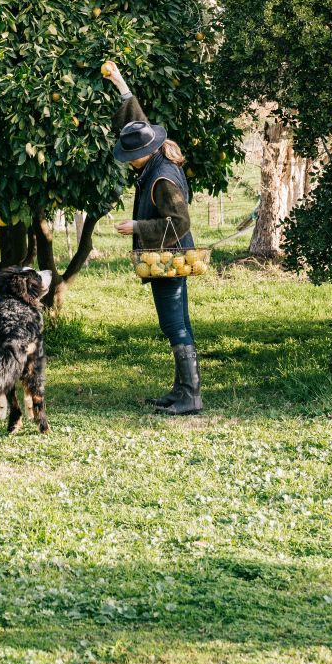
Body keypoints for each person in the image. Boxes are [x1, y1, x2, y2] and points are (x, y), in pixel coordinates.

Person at [104, 61, 203, 416]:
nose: (129, 161)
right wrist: (121, 85)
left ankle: (190, 396)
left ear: (144, 152)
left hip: (168, 257)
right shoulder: (157, 156)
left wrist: (137, 227)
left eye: (132, 157)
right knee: (177, 321)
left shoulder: (162, 179)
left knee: (173, 323)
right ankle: (181, 390)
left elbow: (179, 223)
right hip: (168, 257)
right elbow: (138, 124)